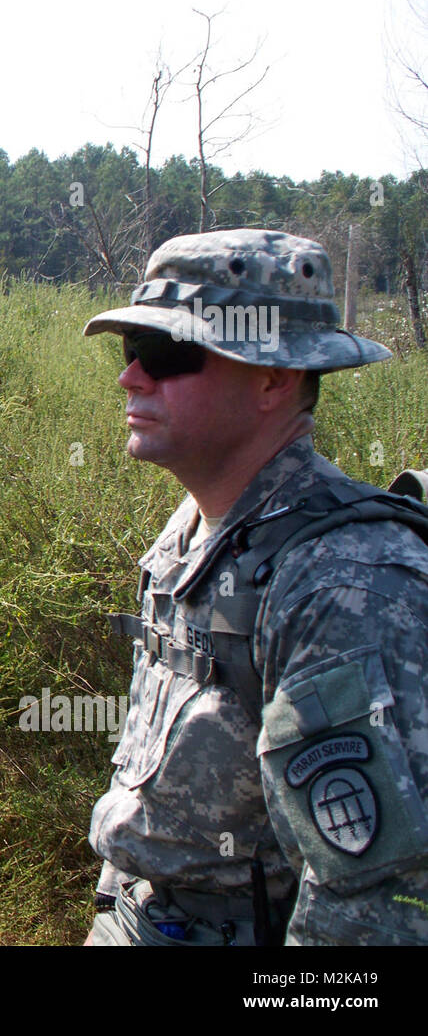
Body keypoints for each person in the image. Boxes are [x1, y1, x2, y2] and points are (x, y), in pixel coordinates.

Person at [82, 228, 428, 946]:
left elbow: (366, 916)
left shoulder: (342, 582)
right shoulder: (198, 531)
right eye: (132, 349)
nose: (131, 377)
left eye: (169, 352)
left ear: (274, 379)